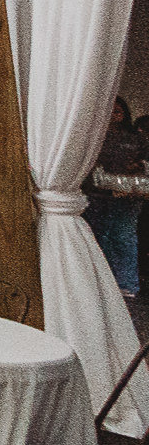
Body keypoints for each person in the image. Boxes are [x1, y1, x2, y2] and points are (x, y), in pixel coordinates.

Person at [85, 95, 141, 297]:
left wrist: (137, 168)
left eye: (119, 111)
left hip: (128, 195)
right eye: (111, 110)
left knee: (124, 236)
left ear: (125, 113)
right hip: (98, 194)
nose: (114, 114)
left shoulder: (135, 137)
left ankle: (126, 283)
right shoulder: (93, 137)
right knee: (99, 236)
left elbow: (144, 162)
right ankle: (103, 282)